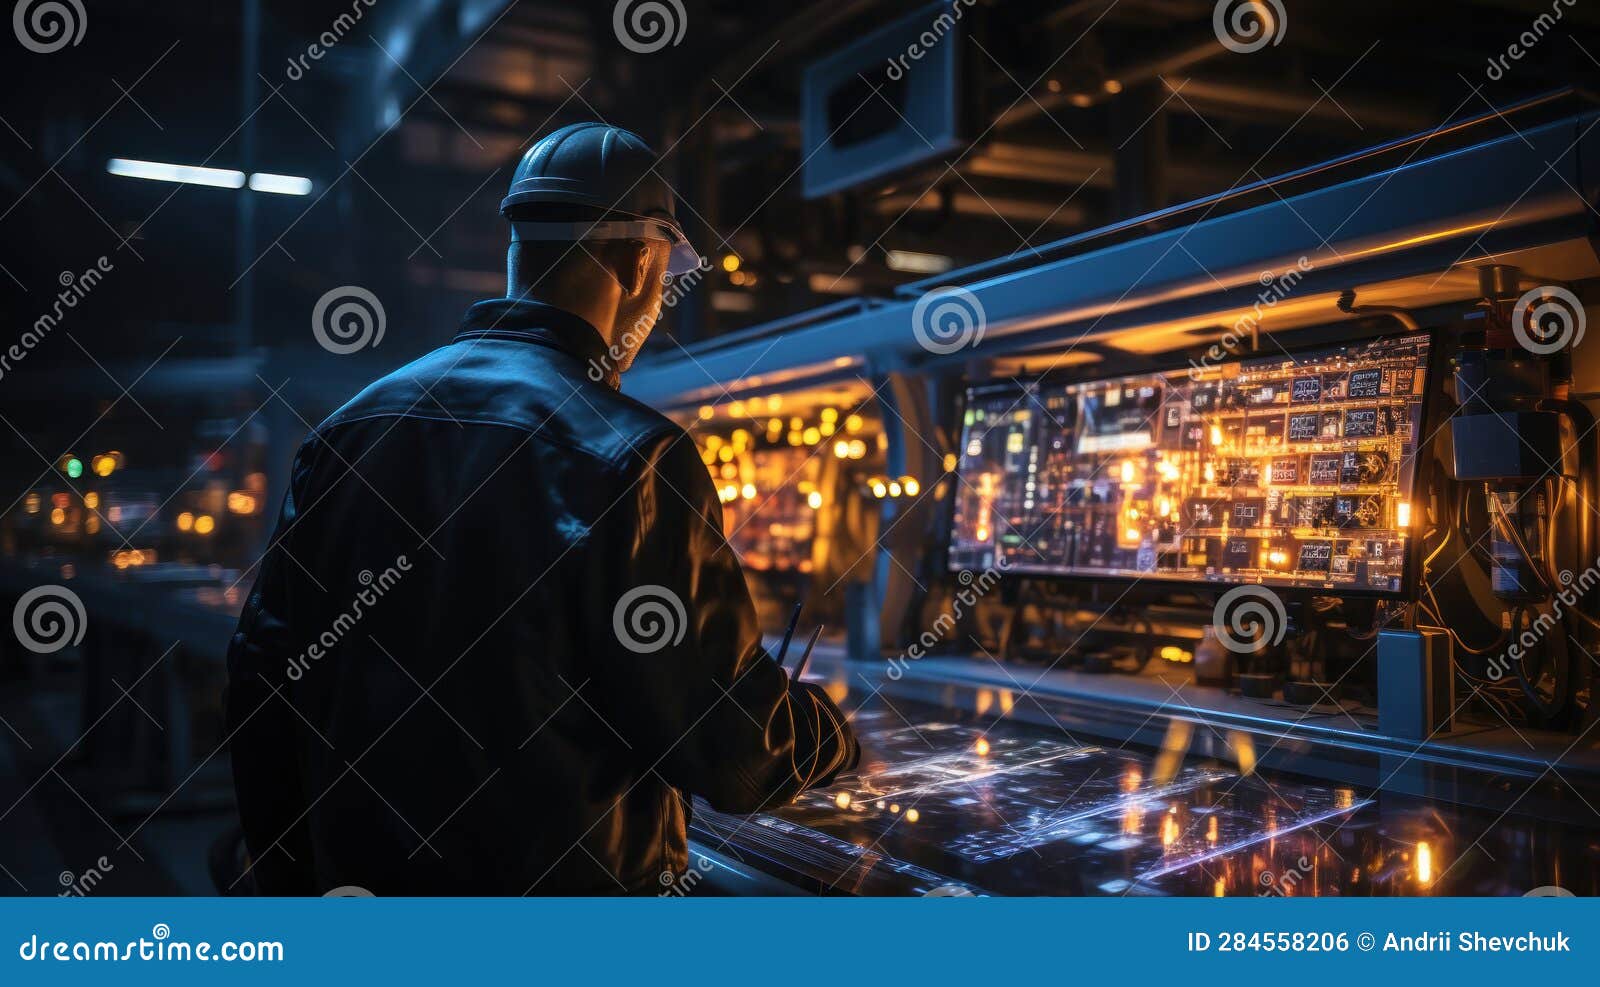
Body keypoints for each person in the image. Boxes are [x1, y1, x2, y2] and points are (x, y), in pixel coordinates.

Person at [224, 122, 858, 895]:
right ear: (636, 261)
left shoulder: (349, 430)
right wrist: (831, 736)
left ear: (519, 248)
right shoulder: (631, 457)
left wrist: (293, 889)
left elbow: (262, 680)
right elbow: (732, 750)